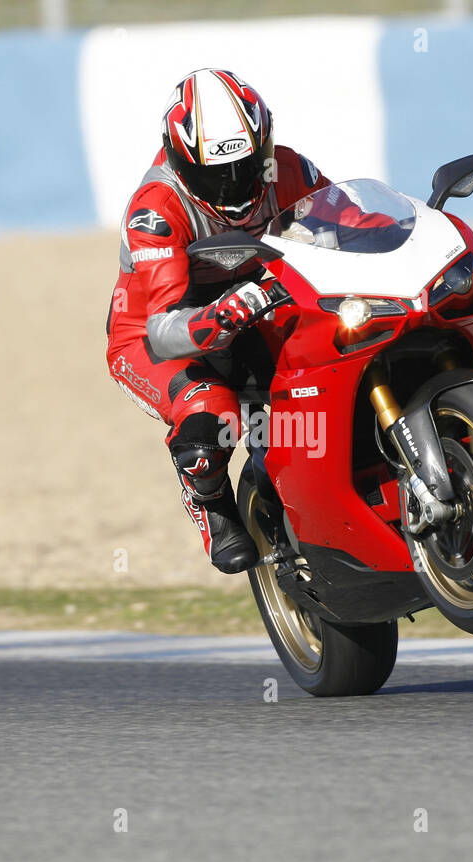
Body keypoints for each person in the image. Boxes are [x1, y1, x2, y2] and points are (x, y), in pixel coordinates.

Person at [105, 68, 330, 573]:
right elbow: (164, 331)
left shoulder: (291, 171)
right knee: (213, 412)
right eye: (215, 175)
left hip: (258, 301)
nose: (233, 187)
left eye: (247, 166)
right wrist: (225, 312)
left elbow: (353, 225)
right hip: (154, 331)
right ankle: (209, 499)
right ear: (181, 163)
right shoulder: (155, 210)